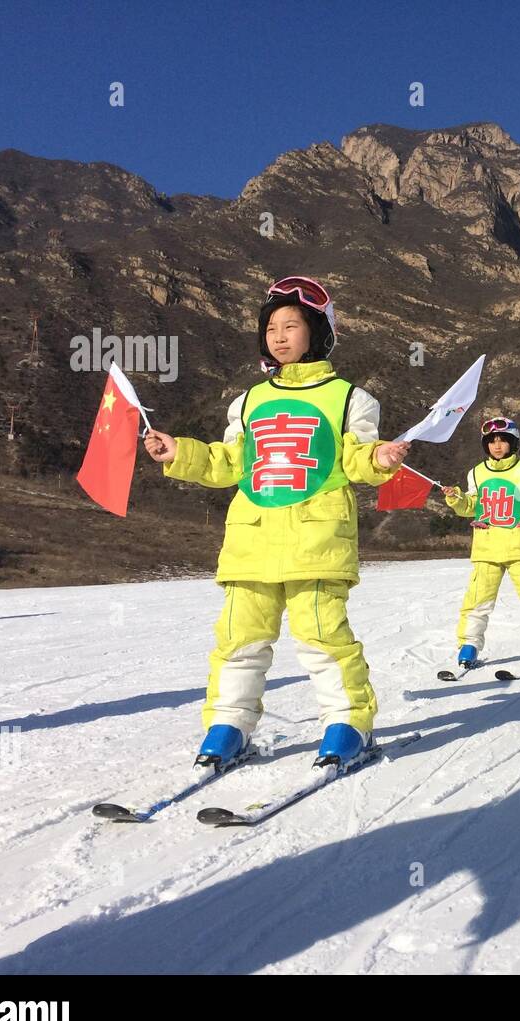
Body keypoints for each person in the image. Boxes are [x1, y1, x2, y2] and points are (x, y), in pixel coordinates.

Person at [143, 275, 408, 769]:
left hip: (317, 540)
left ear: (320, 332)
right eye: (270, 328)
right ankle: (228, 725)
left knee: (324, 638)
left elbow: (356, 459)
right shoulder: (248, 401)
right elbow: (228, 462)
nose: (280, 336)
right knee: (239, 639)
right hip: (253, 541)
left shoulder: (351, 398)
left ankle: (349, 723)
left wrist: (381, 458)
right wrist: (179, 451)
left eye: (292, 325)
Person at [443, 416, 520, 667]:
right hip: (486, 548)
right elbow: (471, 506)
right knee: (477, 601)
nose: (497, 445)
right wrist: (456, 498)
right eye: (491, 441)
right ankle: (468, 645)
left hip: (519, 546)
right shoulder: (476, 473)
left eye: (503, 440)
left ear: (513, 442)